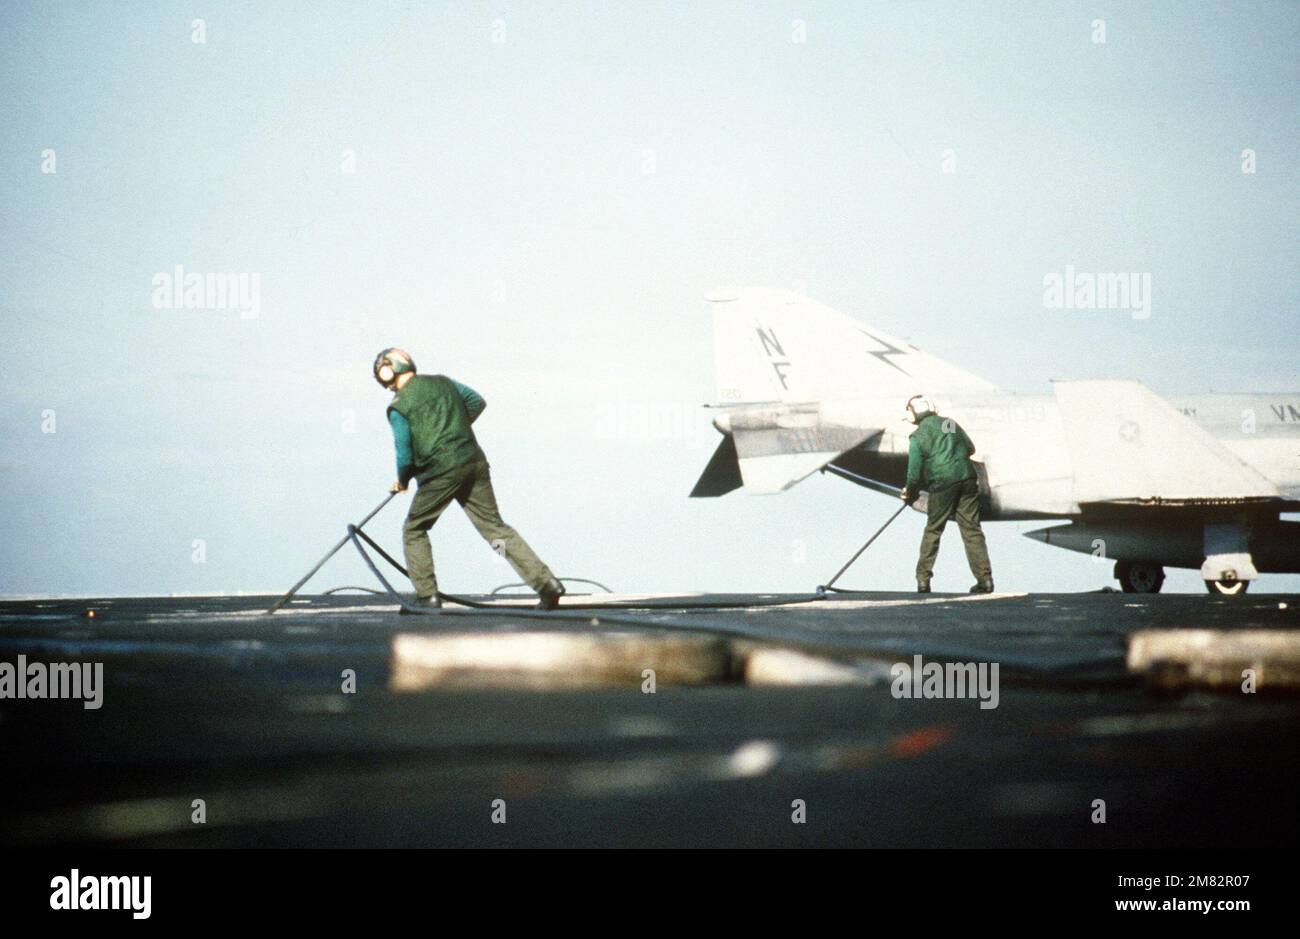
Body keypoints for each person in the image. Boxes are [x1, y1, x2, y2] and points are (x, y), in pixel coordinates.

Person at [374, 347, 565, 611]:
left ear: (387, 372)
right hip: (473, 462)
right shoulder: (443, 382)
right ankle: (546, 584)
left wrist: (403, 480)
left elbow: (404, 454)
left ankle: (427, 597)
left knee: (415, 529)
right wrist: (456, 428)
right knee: (495, 530)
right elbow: (476, 401)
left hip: (440, 472)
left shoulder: (398, 407)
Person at [899, 394, 994, 594]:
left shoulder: (917, 437)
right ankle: (985, 580)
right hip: (967, 479)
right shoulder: (948, 424)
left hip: (942, 484)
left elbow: (913, 473)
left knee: (933, 530)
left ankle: (923, 581)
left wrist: (910, 493)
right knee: (972, 530)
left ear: (913, 414)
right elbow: (969, 447)